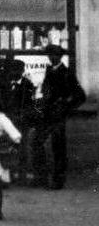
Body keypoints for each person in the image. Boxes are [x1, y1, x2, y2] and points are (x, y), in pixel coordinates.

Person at [31, 44, 85, 190]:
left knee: (58, 147)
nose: (51, 57)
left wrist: (64, 107)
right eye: (49, 55)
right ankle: (41, 177)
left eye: (54, 55)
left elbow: (80, 96)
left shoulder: (66, 73)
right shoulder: (50, 71)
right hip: (46, 114)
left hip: (58, 116)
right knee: (37, 142)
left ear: (60, 56)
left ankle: (58, 180)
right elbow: (46, 91)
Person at [0, 59, 35, 184]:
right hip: (9, 120)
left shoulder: (28, 85)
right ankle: (10, 173)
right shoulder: (6, 85)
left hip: (22, 120)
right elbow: (3, 102)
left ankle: (22, 174)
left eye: (17, 70)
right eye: (13, 70)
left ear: (22, 71)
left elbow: (30, 104)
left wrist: (23, 115)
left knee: (22, 147)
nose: (14, 73)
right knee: (9, 147)